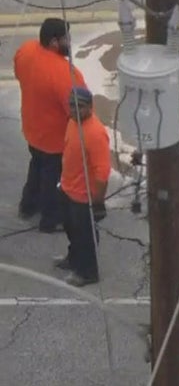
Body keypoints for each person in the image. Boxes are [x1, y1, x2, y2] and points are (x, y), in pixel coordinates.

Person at [15, 18, 87, 232]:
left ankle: (27, 206)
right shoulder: (65, 74)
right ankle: (50, 219)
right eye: (66, 38)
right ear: (54, 42)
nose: (70, 42)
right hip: (54, 139)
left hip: (31, 128)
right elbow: (78, 111)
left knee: (36, 165)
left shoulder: (26, 51)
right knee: (52, 178)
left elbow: (20, 75)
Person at [56, 87, 110, 287]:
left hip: (83, 196)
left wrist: (98, 202)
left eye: (80, 106)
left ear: (90, 107)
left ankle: (87, 272)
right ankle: (74, 259)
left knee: (84, 234)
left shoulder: (96, 133)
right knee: (71, 228)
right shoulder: (72, 122)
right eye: (71, 105)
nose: (75, 109)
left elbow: (102, 173)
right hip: (68, 187)